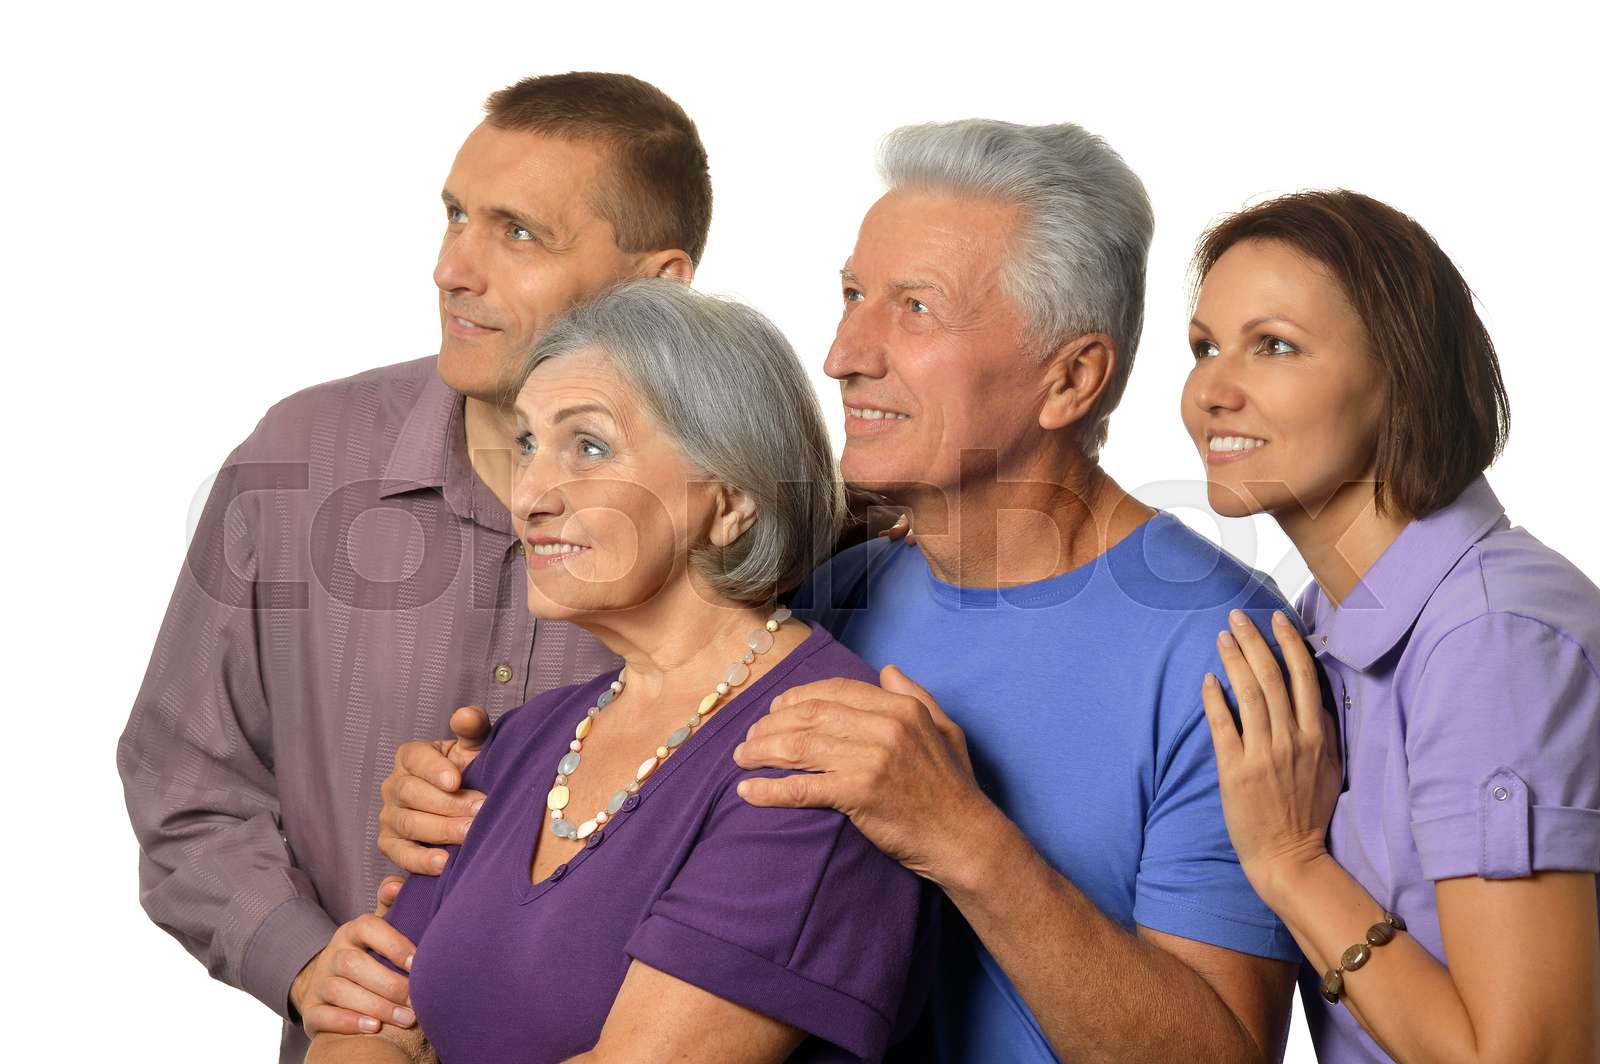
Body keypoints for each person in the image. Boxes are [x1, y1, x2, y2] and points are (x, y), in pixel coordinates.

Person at [382, 119, 1304, 1062]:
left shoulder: (1220, 649)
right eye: (853, 294)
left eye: (914, 308)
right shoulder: (826, 596)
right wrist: (469, 809)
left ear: (1070, 378)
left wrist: (963, 838)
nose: (843, 354)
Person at [116, 72, 712, 1063]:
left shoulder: (751, 508)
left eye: (519, 233)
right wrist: (307, 963)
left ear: (656, 285)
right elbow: (185, 780)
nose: (452, 267)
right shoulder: (298, 456)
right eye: (455, 216)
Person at [308, 279, 927, 1064]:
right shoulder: (523, 739)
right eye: (527, 444)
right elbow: (357, 1029)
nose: (530, 494)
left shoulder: (816, 752)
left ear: (730, 501)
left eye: (588, 447)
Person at [1182, 190, 1600, 1062]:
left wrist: (1293, 864)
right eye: (1205, 348)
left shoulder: (1493, 639)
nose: (1212, 390)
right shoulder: (1327, 621)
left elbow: (1526, 1058)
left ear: (1398, 374)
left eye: (1275, 346)